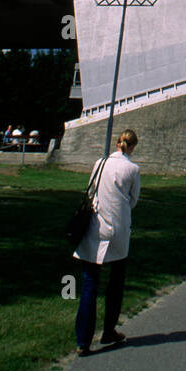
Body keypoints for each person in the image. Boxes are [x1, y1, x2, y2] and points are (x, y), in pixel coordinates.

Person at [73, 129, 140, 356]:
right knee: (116, 282)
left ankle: (83, 340)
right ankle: (109, 329)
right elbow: (133, 200)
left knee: (90, 282)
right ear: (131, 147)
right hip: (118, 230)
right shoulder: (132, 169)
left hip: (96, 226)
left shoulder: (100, 163)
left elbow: (92, 190)